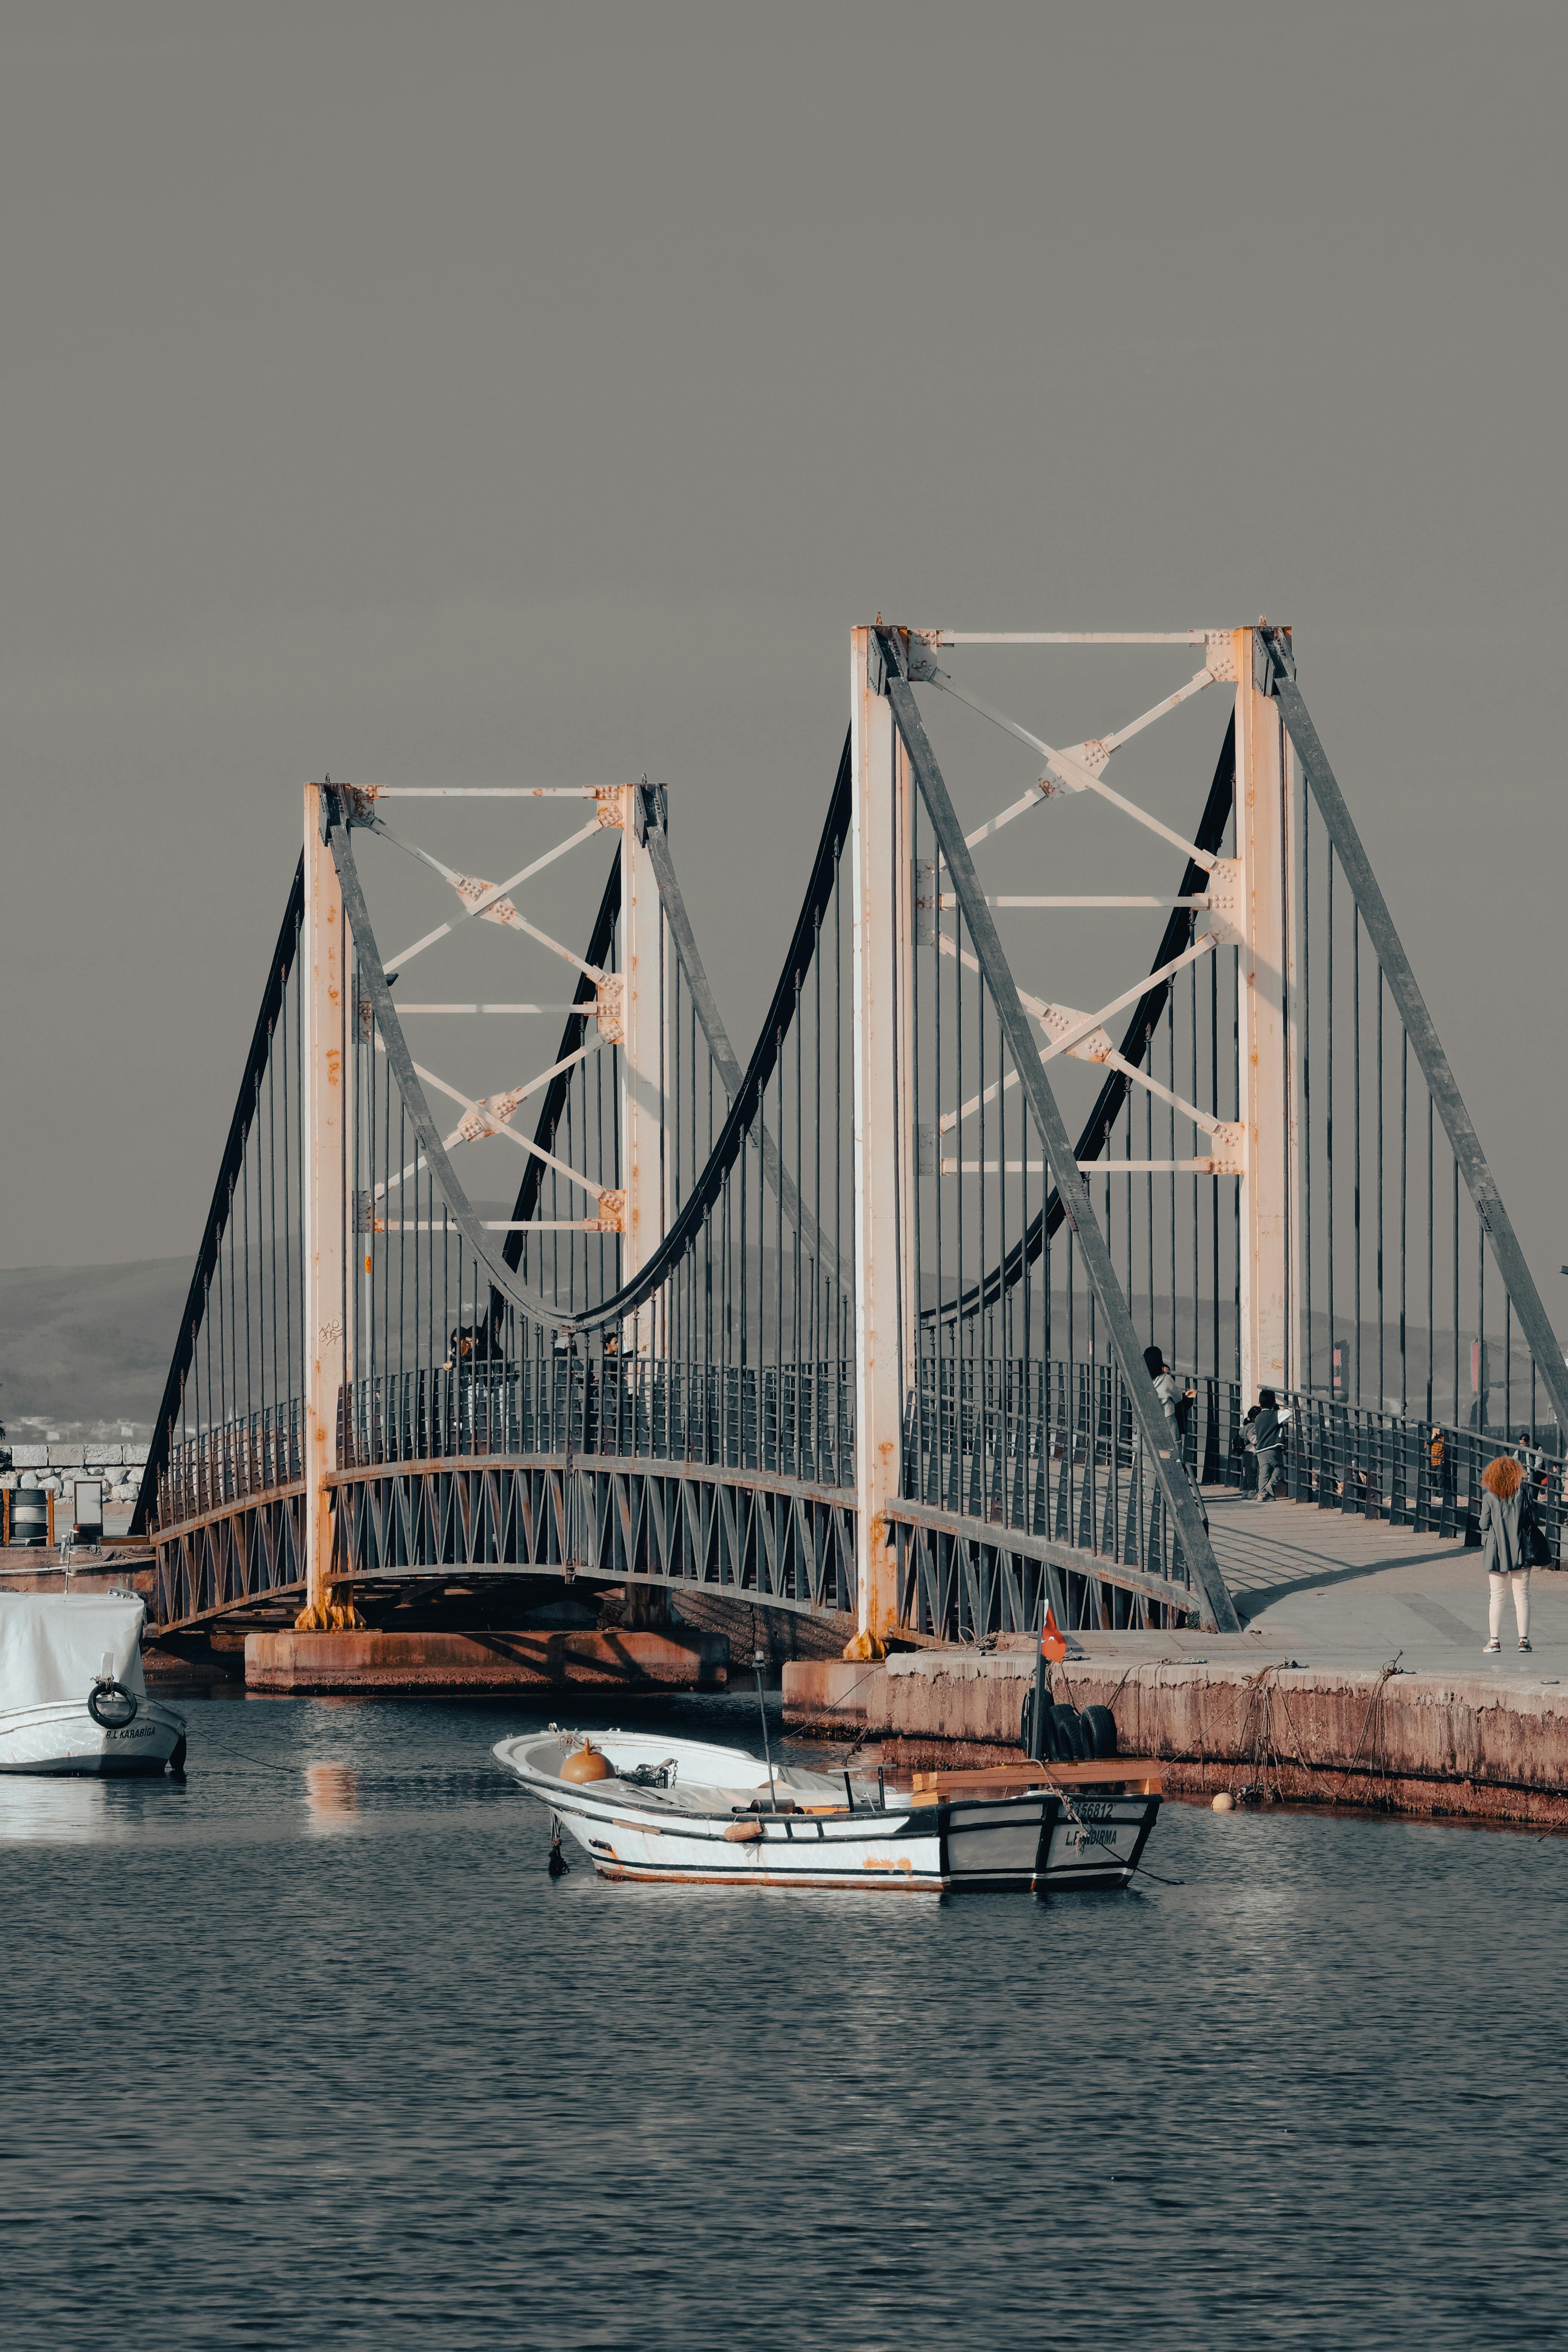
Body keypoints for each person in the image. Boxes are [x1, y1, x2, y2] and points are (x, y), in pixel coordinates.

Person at [1478, 1453, 1533, 1653]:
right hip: (1521, 1550)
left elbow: (1484, 1524)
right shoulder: (1524, 1495)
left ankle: (1494, 1642)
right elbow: (1531, 1520)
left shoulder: (1489, 1496)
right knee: (1522, 1596)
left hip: (1497, 1551)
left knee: (1497, 1596)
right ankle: (1523, 1641)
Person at [1251, 1388, 1284, 1502]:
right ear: (1274, 1402)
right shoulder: (1276, 1415)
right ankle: (1272, 1483)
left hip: (1260, 1450)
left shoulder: (1258, 1418)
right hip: (1274, 1447)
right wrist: (1277, 1409)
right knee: (1278, 1467)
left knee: (1263, 1472)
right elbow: (1289, 1414)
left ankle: (1262, 1494)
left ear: (1260, 1404)